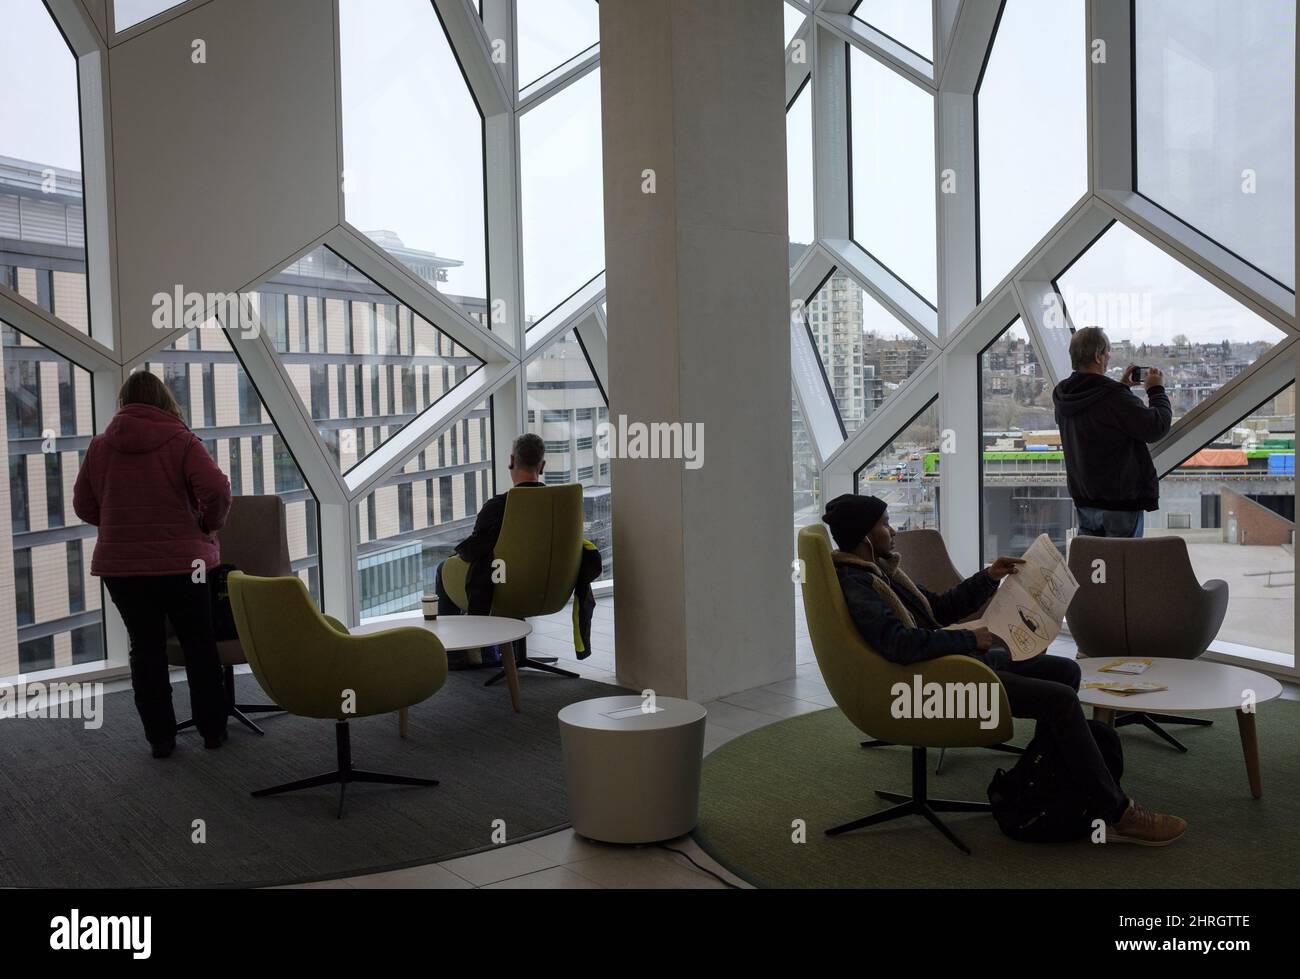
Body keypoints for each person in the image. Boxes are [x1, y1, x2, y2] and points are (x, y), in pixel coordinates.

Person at [822, 493, 1187, 845]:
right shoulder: (858, 584)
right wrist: (969, 640)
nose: (894, 530)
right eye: (885, 524)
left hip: (952, 664)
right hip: (935, 681)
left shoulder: (884, 573)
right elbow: (899, 644)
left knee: (1065, 673)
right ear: (866, 535)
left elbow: (939, 609)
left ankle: (1046, 778)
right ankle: (1120, 814)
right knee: (1059, 700)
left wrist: (989, 577)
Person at [73, 371, 232, 758]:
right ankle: (213, 732)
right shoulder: (182, 441)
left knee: (145, 650)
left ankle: (160, 739)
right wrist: (208, 525)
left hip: (123, 569)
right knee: (199, 646)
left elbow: (82, 504)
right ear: (165, 400)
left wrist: (117, 525)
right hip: (185, 565)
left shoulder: (100, 446)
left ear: (124, 403)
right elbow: (217, 489)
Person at [1053, 326, 1172, 538]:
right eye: (1107, 351)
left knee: (1095, 566)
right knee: (1123, 567)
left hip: (1085, 500)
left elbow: (1098, 420)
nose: (1108, 356)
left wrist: (1122, 387)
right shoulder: (1113, 397)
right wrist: (1156, 391)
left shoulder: (1063, 394)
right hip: (1120, 503)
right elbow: (1156, 427)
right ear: (1098, 356)